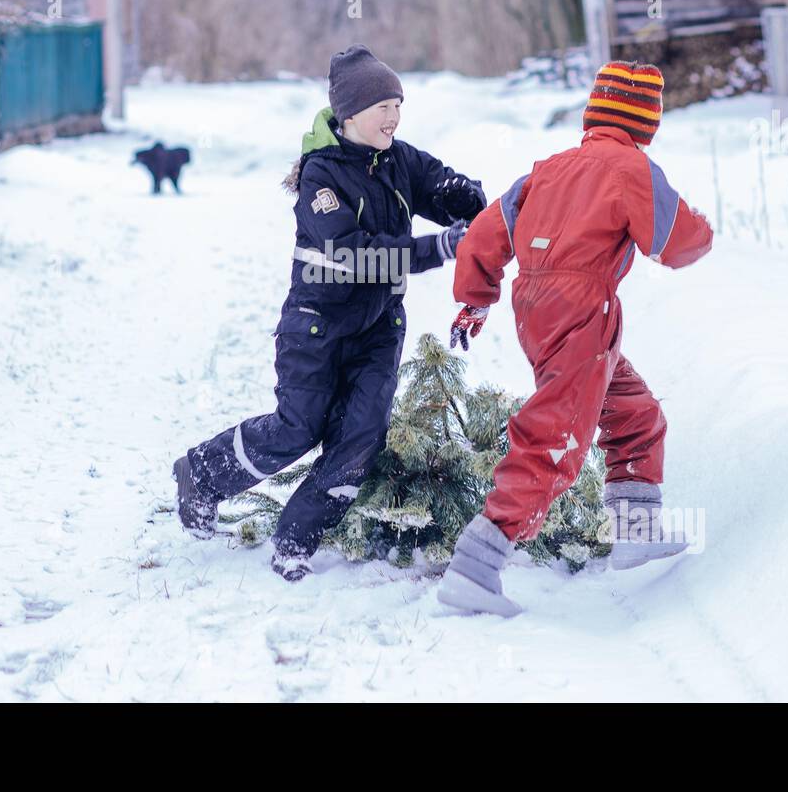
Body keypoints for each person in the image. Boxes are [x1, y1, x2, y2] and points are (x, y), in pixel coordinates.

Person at [172, 45, 486, 580]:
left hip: (378, 329)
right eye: (383, 106)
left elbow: (443, 188)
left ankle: (295, 540)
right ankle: (201, 475)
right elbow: (353, 253)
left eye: (398, 105)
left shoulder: (400, 160)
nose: (393, 116)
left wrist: (475, 203)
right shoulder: (320, 177)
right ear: (350, 114)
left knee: (361, 436)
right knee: (297, 429)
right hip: (316, 326)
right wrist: (439, 248)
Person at [437, 60, 713, 616]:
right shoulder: (633, 169)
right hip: (581, 307)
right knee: (555, 437)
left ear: (594, 111)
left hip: (533, 306)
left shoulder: (548, 168)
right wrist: (703, 226)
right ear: (647, 123)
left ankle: (635, 534)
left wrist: (475, 297)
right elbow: (677, 242)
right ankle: (475, 565)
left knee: (633, 416)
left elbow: (484, 237)